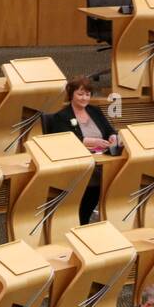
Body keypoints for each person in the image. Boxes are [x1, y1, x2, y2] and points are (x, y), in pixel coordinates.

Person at [43, 76, 118, 225]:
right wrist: (91, 141)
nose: (84, 98)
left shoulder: (95, 111)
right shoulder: (61, 116)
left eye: (87, 94)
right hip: (79, 165)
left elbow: (110, 130)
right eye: (80, 94)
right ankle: (82, 221)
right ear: (71, 95)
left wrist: (113, 137)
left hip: (103, 161)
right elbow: (63, 140)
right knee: (94, 180)